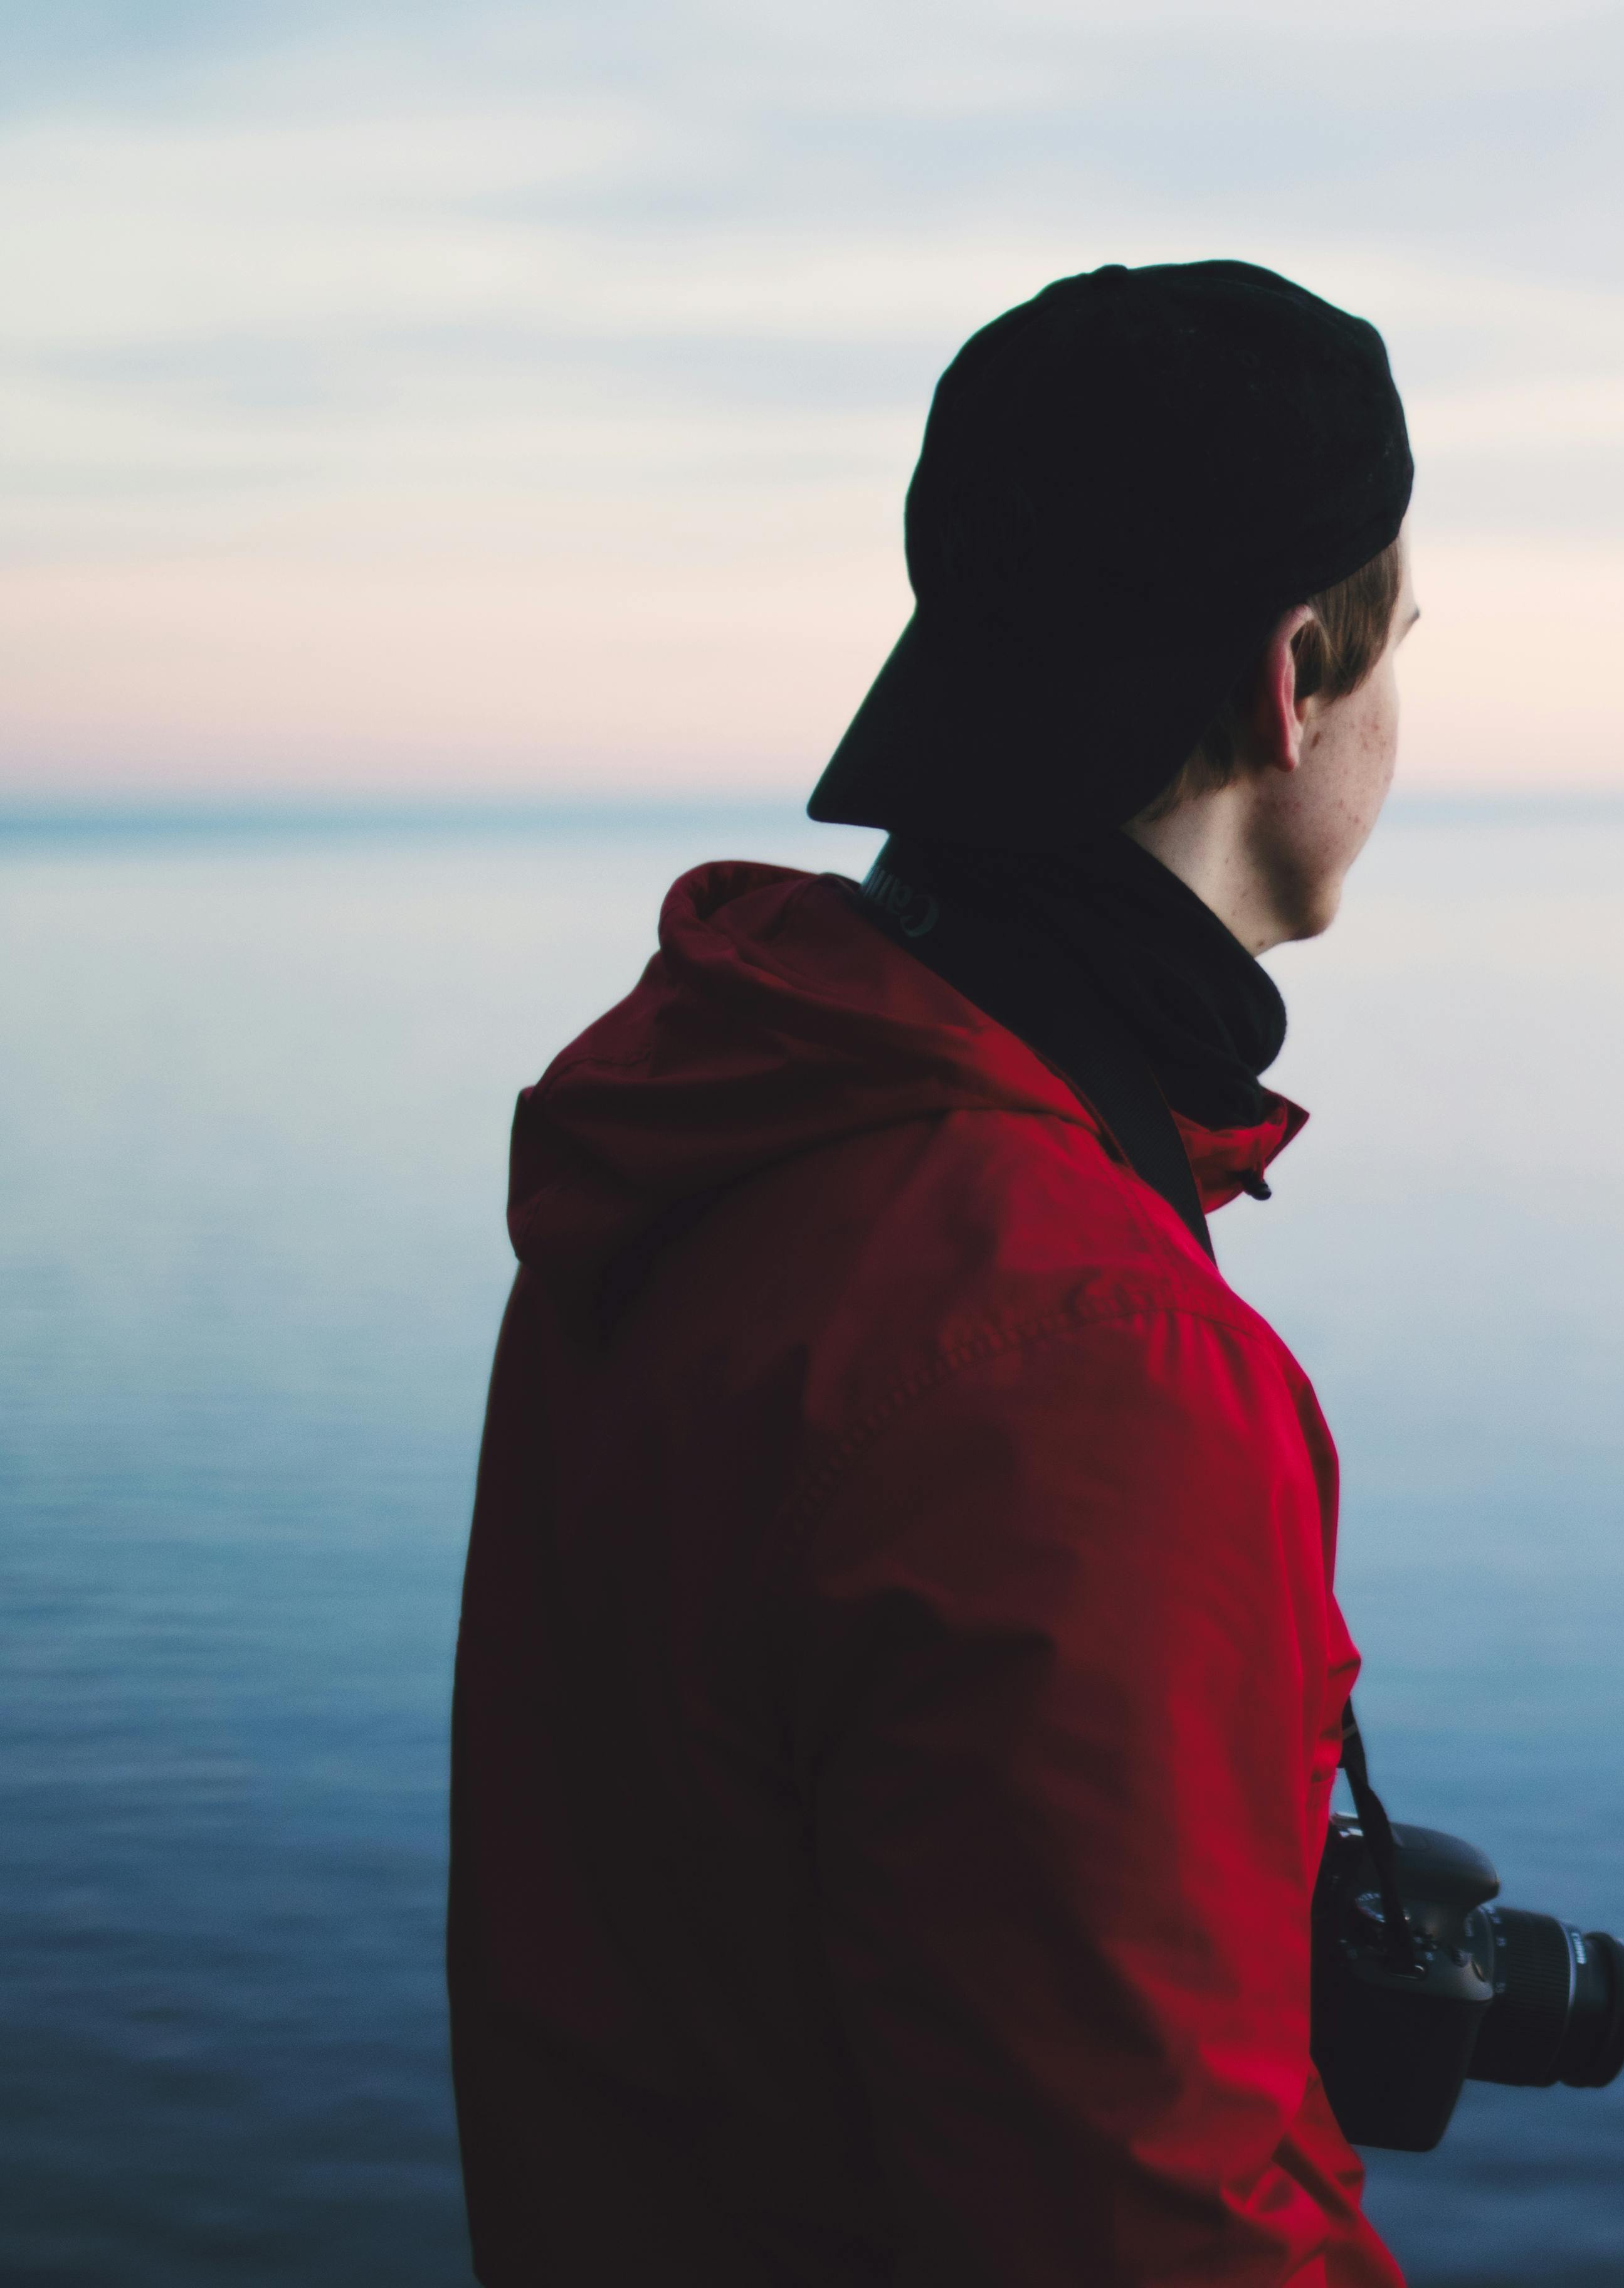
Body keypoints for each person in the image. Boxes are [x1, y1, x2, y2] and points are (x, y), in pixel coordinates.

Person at [448, 261, 1420, 2285]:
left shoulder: (736, 1142)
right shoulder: (1078, 1347)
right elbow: (1143, 2224)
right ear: (1291, 678)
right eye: (1401, 641)